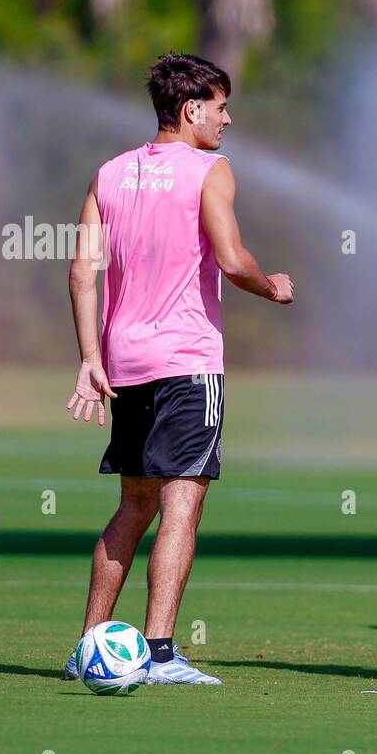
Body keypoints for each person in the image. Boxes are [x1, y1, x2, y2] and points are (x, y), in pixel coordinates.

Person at [64, 53, 293, 685]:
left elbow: (84, 270)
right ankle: (160, 653)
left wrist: (89, 358)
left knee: (132, 508)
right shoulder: (210, 170)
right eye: (220, 107)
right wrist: (269, 285)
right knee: (181, 507)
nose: (228, 119)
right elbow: (232, 256)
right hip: (188, 363)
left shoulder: (109, 174)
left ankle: (88, 645)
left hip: (124, 363)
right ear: (191, 109)